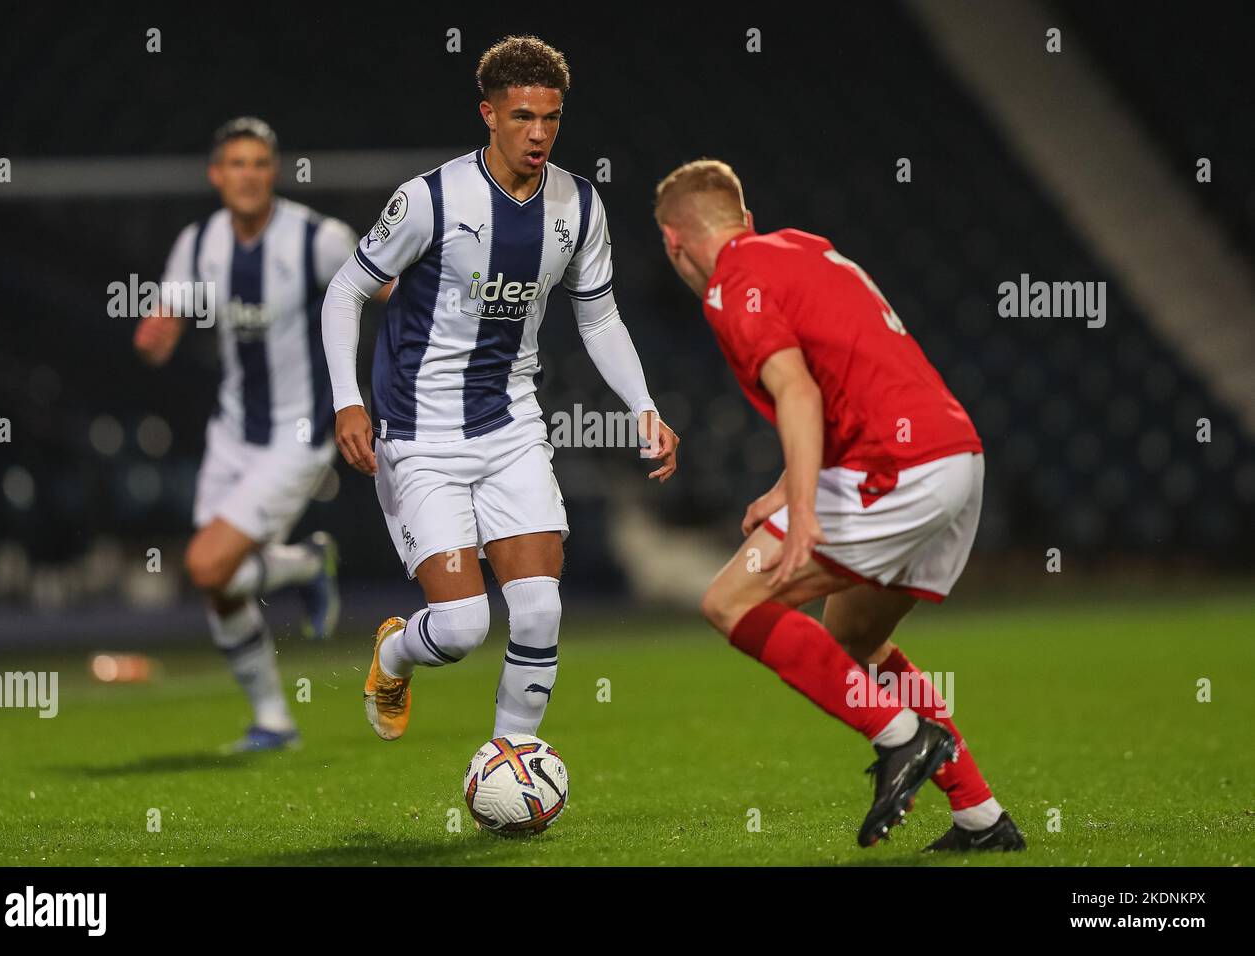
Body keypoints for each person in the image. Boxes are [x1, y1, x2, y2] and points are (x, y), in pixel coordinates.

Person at [654, 158, 1024, 850]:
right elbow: (848, 368)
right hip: (955, 455)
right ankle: (980, 816)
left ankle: (903, 737)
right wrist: (789, 488)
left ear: (675, 244)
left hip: (893, 467)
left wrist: (804, 502)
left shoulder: (733, 285)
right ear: (745, 220)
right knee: (853, 638)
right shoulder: (803, 247)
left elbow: (799, 391)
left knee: (730, 602)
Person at [320, 37, 678, 745]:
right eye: (521, 117)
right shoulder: (428, 200)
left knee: (540, 611)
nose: (539, 133)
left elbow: (598, 313)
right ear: (488, 113)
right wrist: (346, 400)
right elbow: (346, 290)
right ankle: (394, 652)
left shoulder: (578, 206)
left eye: (551, 117)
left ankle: (511, 761)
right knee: (459, 629)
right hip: (419, 434)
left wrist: (644, 405)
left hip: (511, 425)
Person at [134, 118, 350, 752]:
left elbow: (387, 287)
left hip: (300, 432)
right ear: (216, 174)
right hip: (232, 432)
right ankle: (274, 722)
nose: (248, 175)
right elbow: (164, 324)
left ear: (273, 171)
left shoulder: (318, 238)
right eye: (236, 164)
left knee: (207, 563)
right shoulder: (199, 242)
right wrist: (154, 336)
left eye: (259, 163)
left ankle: (309, 563)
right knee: (220, 586)